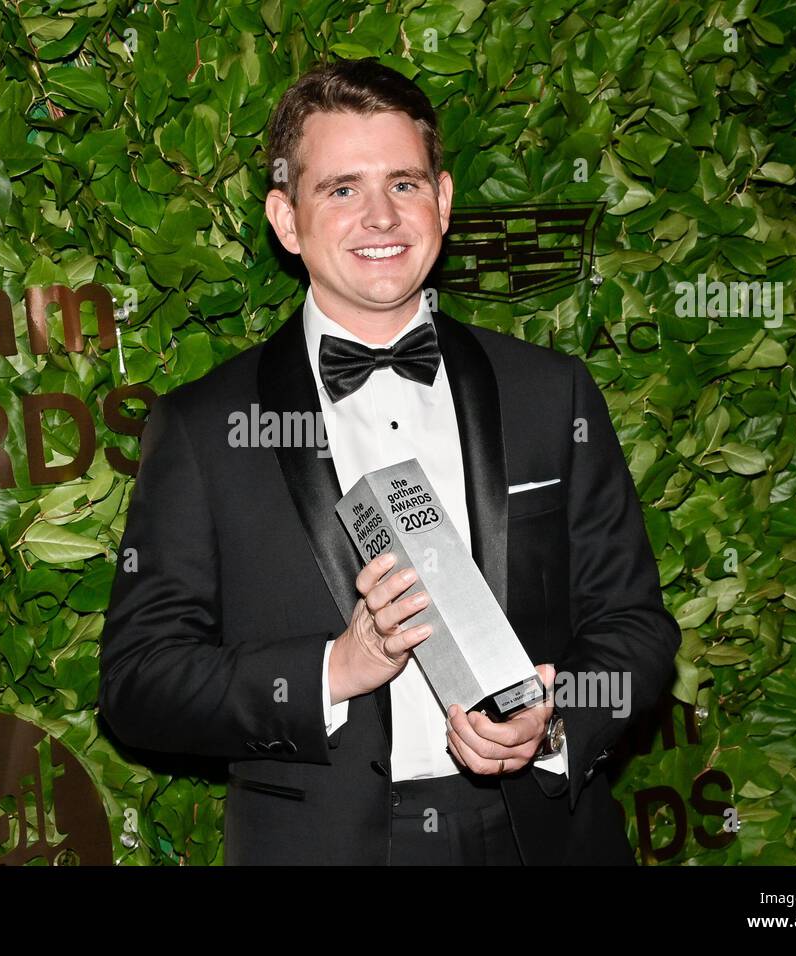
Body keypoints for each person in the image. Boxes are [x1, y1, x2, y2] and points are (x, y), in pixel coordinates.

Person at [98, 57, 680, 865]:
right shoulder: (204, 428)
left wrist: (554, 719)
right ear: (286, 219)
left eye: (404, 184)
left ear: (442, 202)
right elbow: (138, 684)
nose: (380, 216)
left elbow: (635, 626)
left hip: (542, 835)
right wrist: (336, 666)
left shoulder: (552, 393)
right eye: (341, 189)